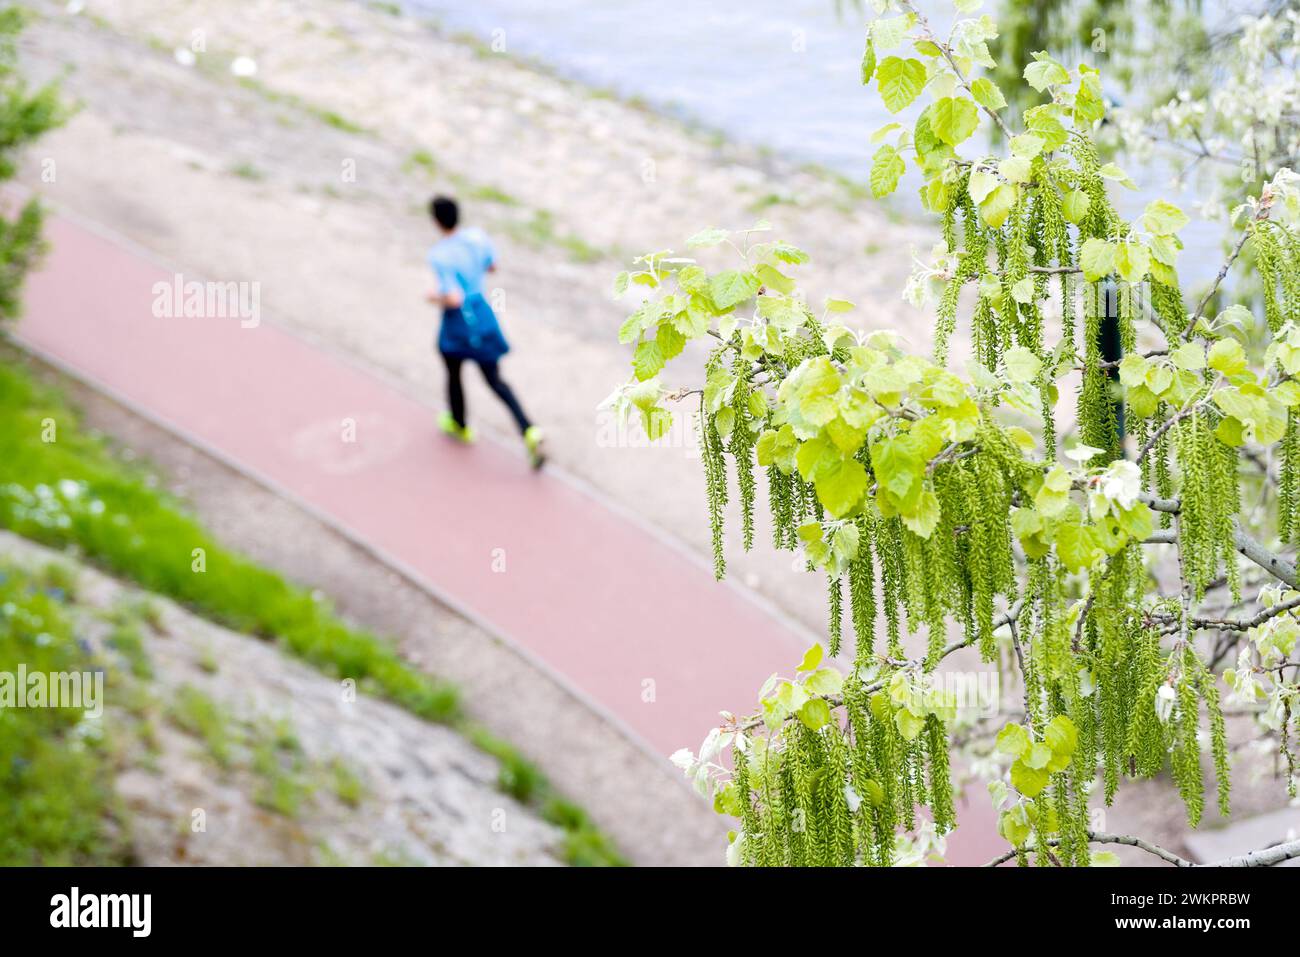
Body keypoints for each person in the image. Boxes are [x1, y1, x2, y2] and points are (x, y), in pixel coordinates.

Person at [424, 195, 545, 469]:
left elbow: (452, 298)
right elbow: (491, 265)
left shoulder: (439, 255)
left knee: (453, 371)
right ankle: (529, 429)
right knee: (495, 380)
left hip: (458, 323)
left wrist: (433, 296)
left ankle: (460, 424)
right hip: (482, 314)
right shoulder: (477, 238)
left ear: (436, 221)